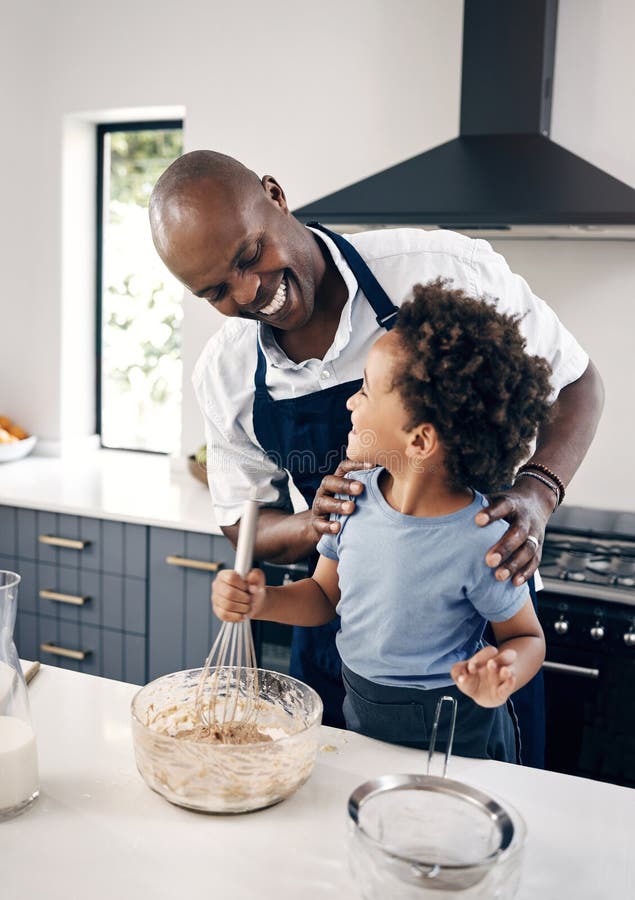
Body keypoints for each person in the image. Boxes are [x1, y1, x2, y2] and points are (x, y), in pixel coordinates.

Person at [149, 150, 603, 762]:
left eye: (249, 255)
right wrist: (315, 525)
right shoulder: (227, 371)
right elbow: (245, 526)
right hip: (340, 666)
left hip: (469, 693)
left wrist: (537, 490)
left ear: (275, 196)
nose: (249, 291)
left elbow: (579, 383)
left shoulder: (441, 269)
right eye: (216, 292)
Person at [211, 281, 549, 760]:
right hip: (364, 716)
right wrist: (261, 601)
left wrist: (505, 672)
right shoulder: (353, 499)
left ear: (419, 441)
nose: (351, 403)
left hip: (457, 731)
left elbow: (525, 636)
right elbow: (325, 596)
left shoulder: (483, 539)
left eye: (366, 392)